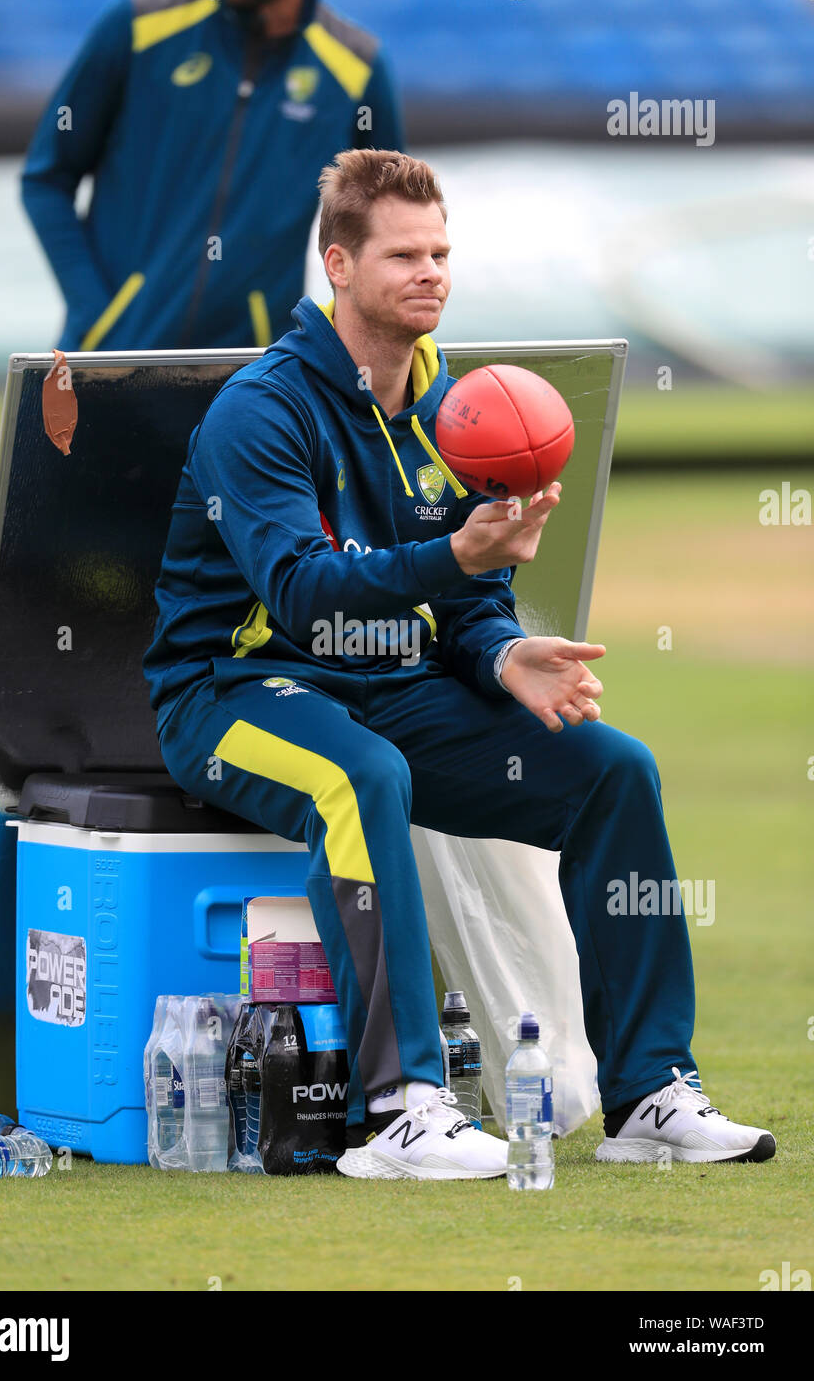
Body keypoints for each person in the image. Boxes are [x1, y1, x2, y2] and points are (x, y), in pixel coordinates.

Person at [142, 148, 776, 1179]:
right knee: (361, 775)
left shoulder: (452, 402)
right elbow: (301, 590)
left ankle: (649, 1092)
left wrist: (504, 651)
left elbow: (466, 601)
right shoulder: (262, 409)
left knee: (612, 770)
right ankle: (402, 1108)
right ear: (337, 266)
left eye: (440, 251)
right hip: (232, 692)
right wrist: (455, 553)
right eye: (402, 255)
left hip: (392, 688)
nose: (430, 272)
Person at [21, 0, 402, 352]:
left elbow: (391, 224)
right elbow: (46, 178)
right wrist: (96, 313)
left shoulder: (357, 67)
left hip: (254, 376)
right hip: (104, 359)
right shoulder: (137, 24)